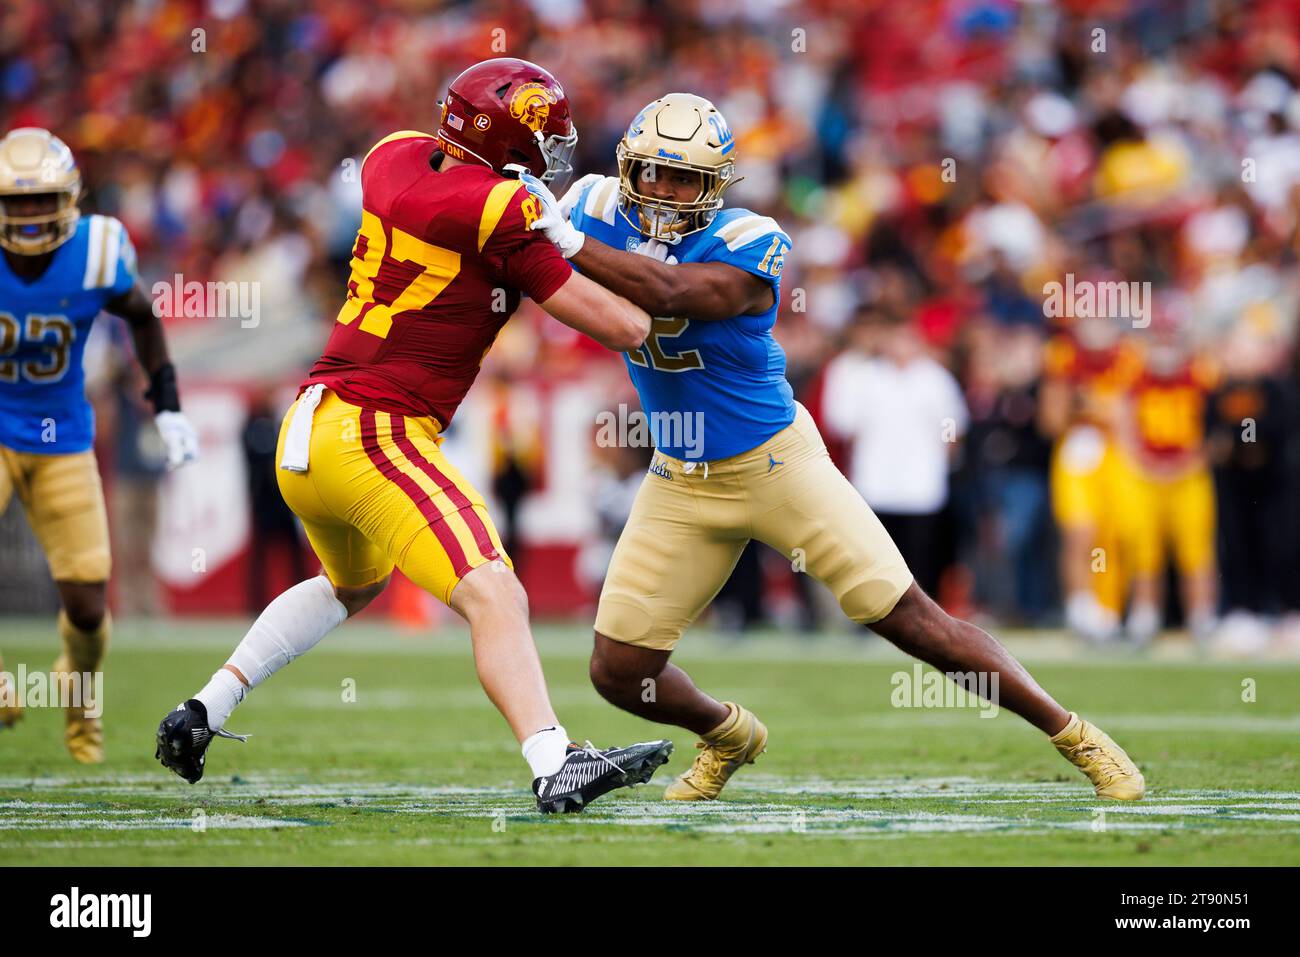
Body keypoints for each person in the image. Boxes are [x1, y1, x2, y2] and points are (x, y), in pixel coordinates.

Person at [521, 93, 1145, 803]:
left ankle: (1075, 734)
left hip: (776, 465)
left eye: (685, 178)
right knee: (618, 669)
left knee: (914, 621)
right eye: (655, 173)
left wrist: (564, 241)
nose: (665, 191)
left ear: (715, 185)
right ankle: (727, 731)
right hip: (678, 477)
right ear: (630, 167)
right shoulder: (593, 203)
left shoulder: (746, 240)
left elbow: (670, 288)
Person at [154, 59, 671, 814]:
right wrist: (565, 240)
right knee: (495, 589)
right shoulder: (500, 210)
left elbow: (454, 205)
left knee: (351, 584)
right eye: (541, 131)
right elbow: (628, 326)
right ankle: (555, 761)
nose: (553, 146)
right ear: (503, 135)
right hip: (375, 429)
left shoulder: (393, 154)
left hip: (311, 427)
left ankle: (203, 709)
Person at [0, 127, 199, 760]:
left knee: (87, 599)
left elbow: (141, 313)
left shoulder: (96, 251)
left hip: (63, 437)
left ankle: (79, 699)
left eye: (41, 201)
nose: (29, 216)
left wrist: (165, 403)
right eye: (16, 202)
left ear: (69, 199)